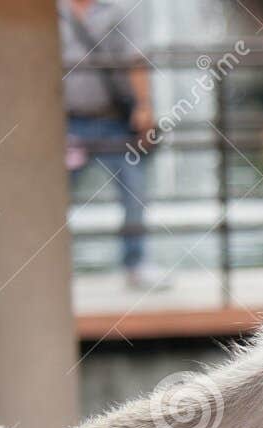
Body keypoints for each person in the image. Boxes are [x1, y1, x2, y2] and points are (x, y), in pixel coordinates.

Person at [57, 0, 166, 290]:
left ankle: (137, 262)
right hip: (67, 123)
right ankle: (51, 266)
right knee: (52, 197)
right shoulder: (52, 10)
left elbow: (136, 58)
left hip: (115, 119)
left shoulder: (119, 8)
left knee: (134, 192)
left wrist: (144, 107)